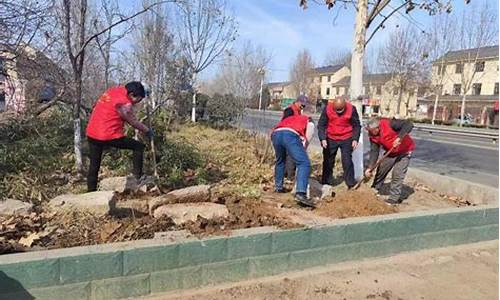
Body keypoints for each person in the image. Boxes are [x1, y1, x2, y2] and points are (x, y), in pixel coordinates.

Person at [85, 81, 153, 192]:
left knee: (94, 166)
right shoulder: (125, 104)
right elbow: (133, 122)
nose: (139, 102)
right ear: (131, 95)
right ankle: (137, 177)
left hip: (92, 132)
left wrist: (144, 91)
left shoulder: (113, 90)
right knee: (138, 147)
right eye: (139, 99)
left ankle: (90, 193)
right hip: (108, 134)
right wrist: (147, 131)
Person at [271, 97, 315, 207]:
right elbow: (306, 139)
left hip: (276, 134)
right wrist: (302, 151)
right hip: (289, 135)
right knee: (304, 163)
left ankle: (278, 187)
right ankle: (300, 193)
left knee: (280, 161)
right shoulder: (309, 121)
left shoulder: (292, 117)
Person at [364, 117, 415, 205]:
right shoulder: (372, 136)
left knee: (397, 174)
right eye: (369, 130)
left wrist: (399, 138)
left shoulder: (390, 124)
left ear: (378, 127)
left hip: (405, 151)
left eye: (372, 130)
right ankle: (375, 189)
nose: (370, 132)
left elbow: (409, 124)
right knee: (381, 169)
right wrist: (370, 167)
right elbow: (374, 152)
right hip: (391, 151)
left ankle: (393, 199)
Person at [317, 97, 361, 189]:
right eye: (337, 110)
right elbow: (321, 124)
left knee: (347, 160)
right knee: (328, 160)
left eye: (341, 110)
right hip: (331, 137)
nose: (339, 112)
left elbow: (356, 125)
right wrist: (323, 138)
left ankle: (350, 183)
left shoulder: (351, 109)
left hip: (346, 137)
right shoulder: (327, 109)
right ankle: (326, 181)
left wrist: (355, 139)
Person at [282, 95, 308, 181]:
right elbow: (286, 123)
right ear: (297, 102)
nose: (303, 107)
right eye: (302, 105)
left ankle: (285, 174)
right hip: (288, 135)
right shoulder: (289, 110)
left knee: (290, 155)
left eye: (304, 105)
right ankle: (290, 177)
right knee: (291, 155)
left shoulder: (298, 111)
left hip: (293, 135)